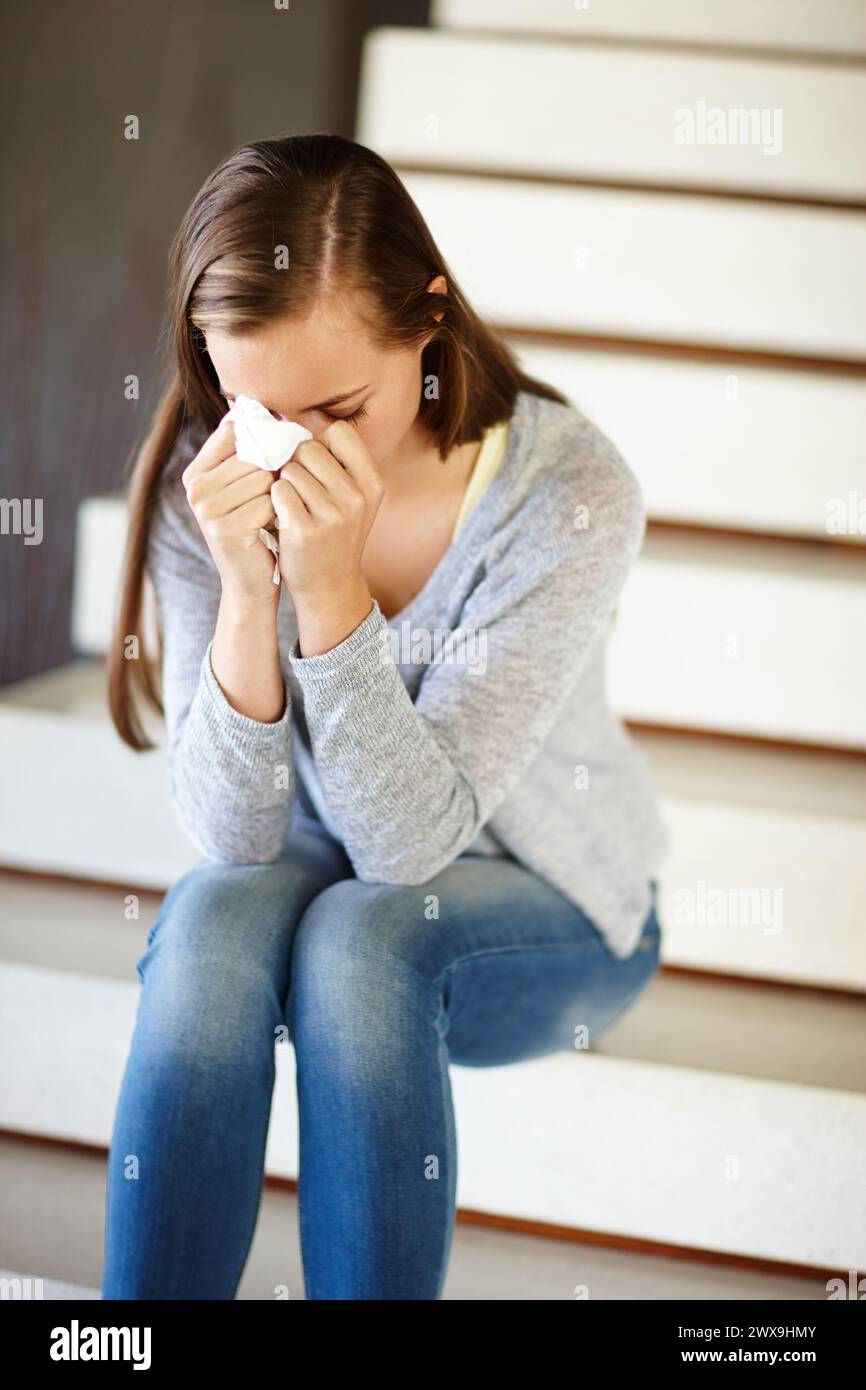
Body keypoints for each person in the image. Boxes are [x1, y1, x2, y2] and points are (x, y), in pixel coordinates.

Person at [102, 132, 669, 1300]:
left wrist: (331, 589)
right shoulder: (200, 488)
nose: (288, 452)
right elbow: (237, 834)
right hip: (319, 868)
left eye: (338, 407)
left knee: (365, 937)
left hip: (545, 893)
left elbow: (407, 849)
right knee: (210, 917)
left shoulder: (565, 494)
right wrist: (249, 594)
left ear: (428, 322)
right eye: (253, 409)